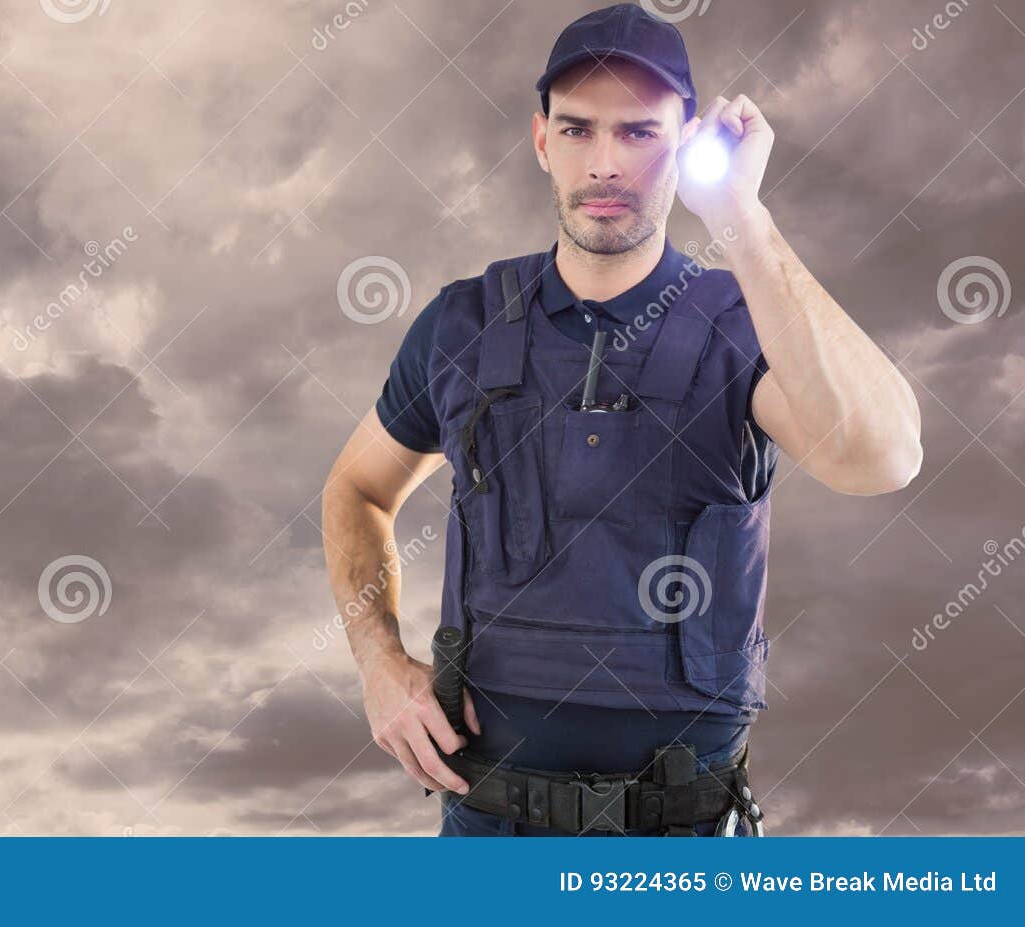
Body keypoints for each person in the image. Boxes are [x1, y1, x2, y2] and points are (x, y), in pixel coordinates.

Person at [320, 3, 922, 836]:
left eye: (640, 133)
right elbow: (357, 487)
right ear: (541, 141)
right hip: (491, 834)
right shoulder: (463, 324)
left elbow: (883, 457)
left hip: (682, 839)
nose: (605, 163)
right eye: (577, 130)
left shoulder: (747, 323)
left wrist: (743, 219)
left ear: (686, 145)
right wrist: (378, 662)